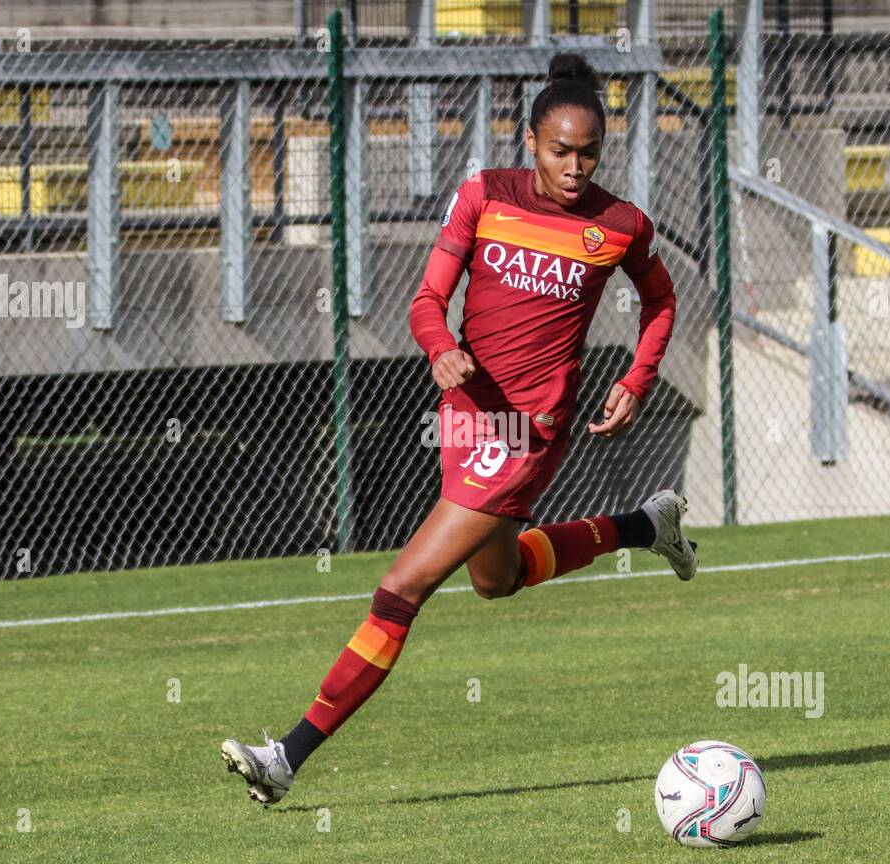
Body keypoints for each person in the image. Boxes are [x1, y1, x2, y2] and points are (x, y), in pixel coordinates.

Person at [222, 52, 696, 805]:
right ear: (529, 142)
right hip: (464, 419)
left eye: (589, 154)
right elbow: (424, 300)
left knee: (400, 589)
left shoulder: (618, 225)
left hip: (525, 433)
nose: (575, 168)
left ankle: (288, 753)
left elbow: (663, 301)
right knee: (496, 580)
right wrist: (441, 348)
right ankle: (643, 526)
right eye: (559, 151)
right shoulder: (482, 197)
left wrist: (636, 380)